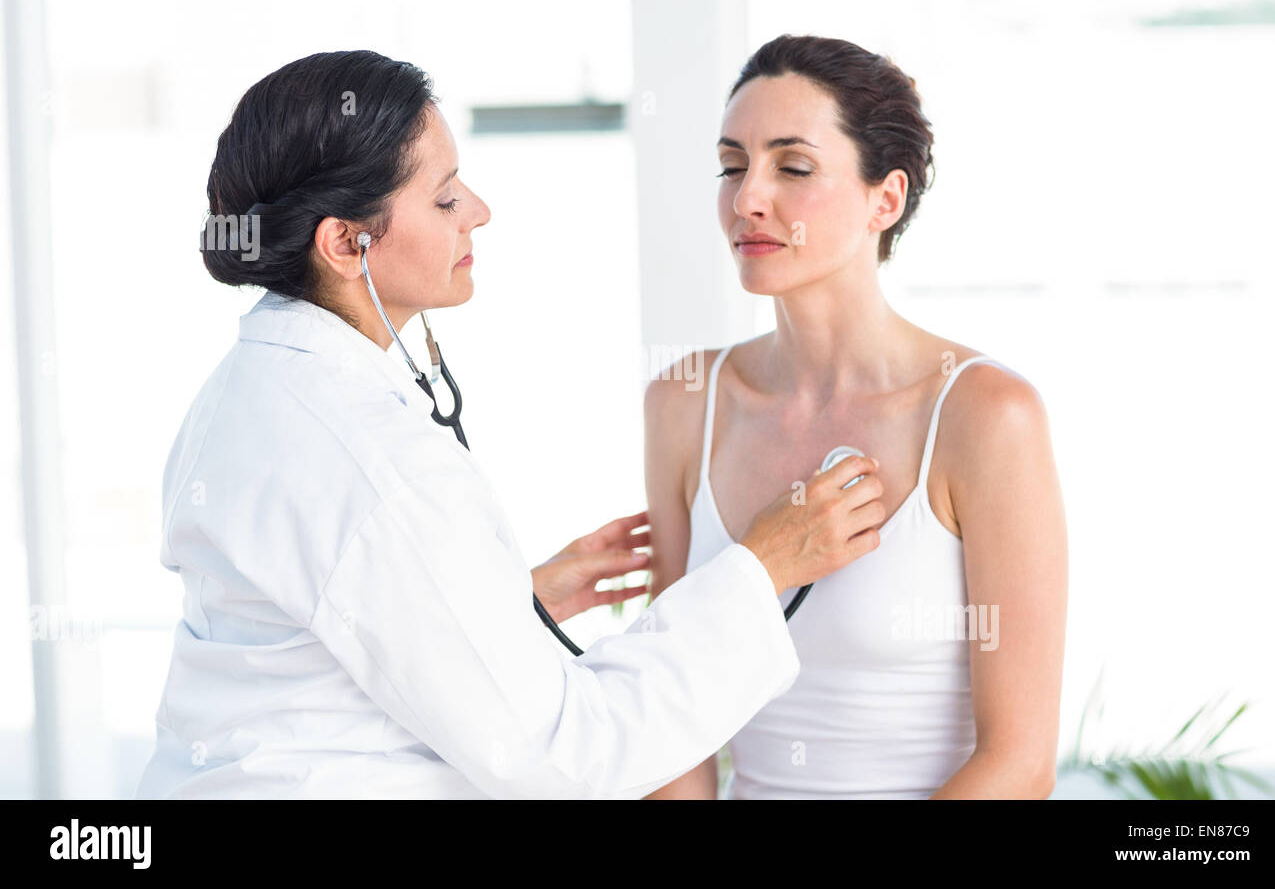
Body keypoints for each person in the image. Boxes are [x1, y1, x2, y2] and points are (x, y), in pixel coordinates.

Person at [134, 50, 886, 799]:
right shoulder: (376, 465)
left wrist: (505, 603)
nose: (479, 211)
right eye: (444, 198)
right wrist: (764, 569)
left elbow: (305, 648)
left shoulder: (247, 388)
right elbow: (566, 755)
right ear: (343, 244)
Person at [643, 35, 1068, 799]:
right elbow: (672, 722)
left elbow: (1021, 765)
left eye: (792, 167)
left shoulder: (985, 415)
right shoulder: (683, 401)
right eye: (732, 165)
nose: (748, 199)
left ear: (887, 198)